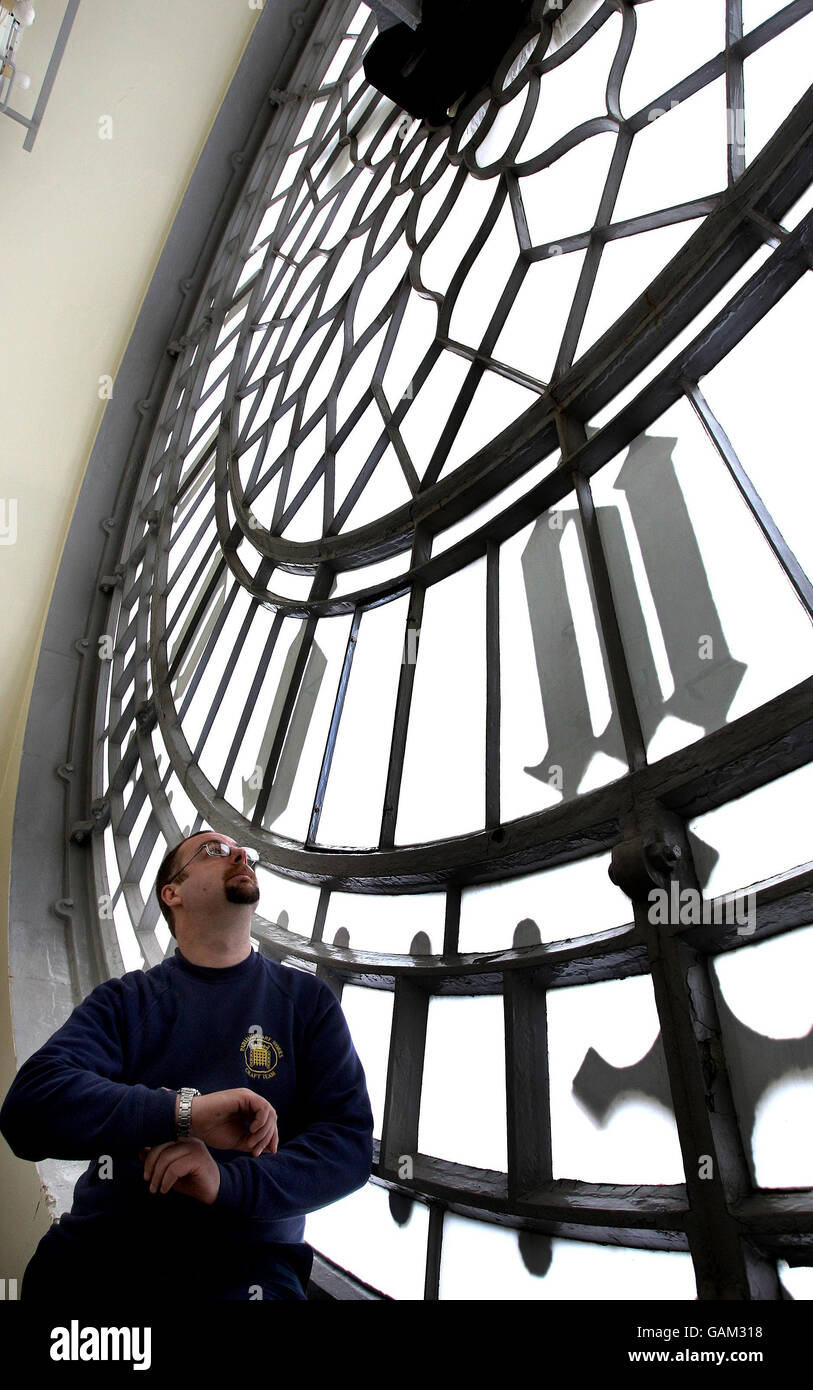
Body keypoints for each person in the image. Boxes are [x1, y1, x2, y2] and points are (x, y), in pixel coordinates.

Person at [0, 830, 374, 1303]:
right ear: (171, 893)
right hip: (96, 1267)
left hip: (248, 1275)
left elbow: (347, 1147)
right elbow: (29, 1109)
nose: (240, 854)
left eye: (244, 853)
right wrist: (182, 1114)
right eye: (214, 851)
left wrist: (227, 1183)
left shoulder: (307, 1003)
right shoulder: (126, 1001)